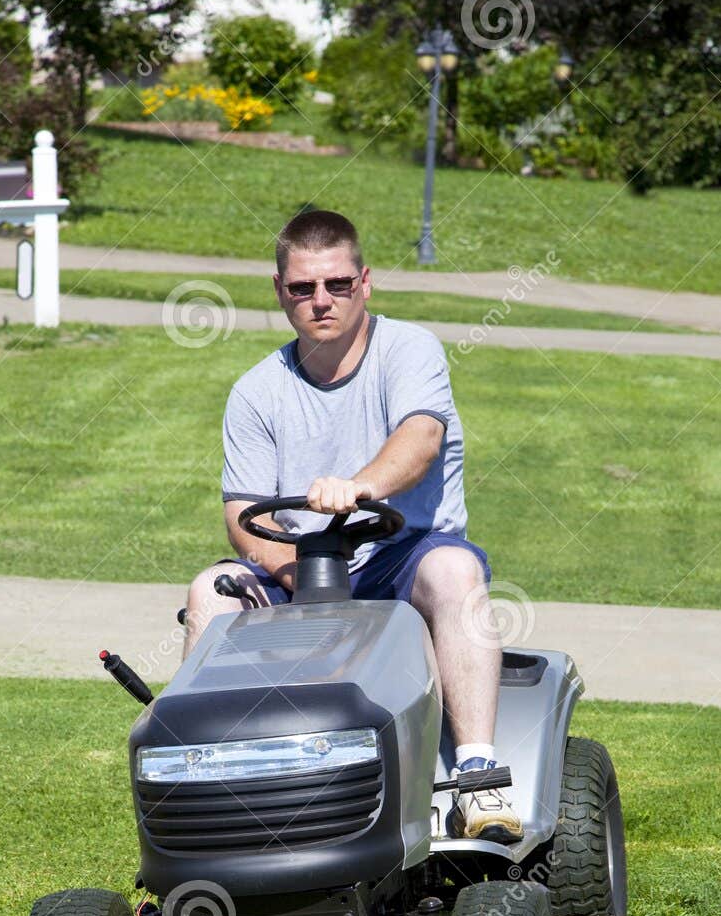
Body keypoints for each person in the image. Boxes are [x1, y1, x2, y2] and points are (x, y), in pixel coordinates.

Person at [183, 208, 522, 844]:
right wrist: (297, 575)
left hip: (402, 557)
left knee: (456, 569)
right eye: (303, 287)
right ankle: (212, 789)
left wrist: (361, 486)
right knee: (211, 590)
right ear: (280, 291)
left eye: (337, 284)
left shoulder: (409, 350)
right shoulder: (256, 392)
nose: (321, 301)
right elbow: (242, 516)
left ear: (364, 282)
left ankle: (478, 776)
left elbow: (420, 440)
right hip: (301, 567)